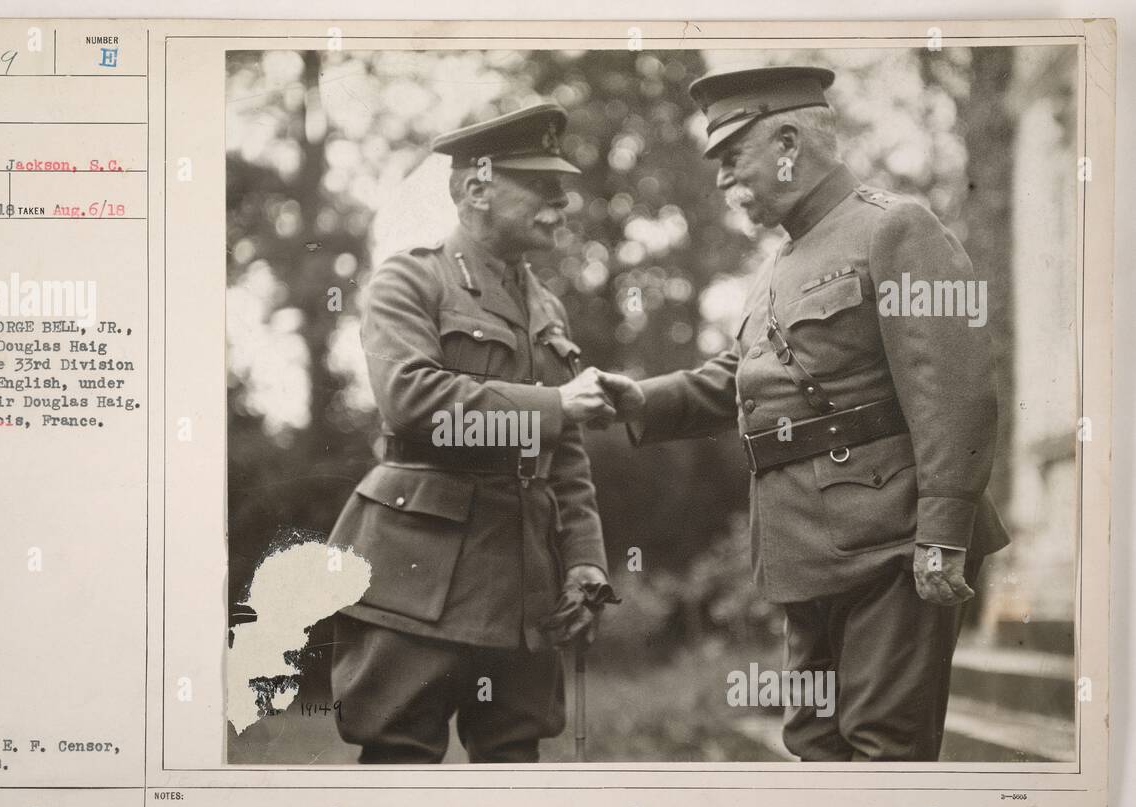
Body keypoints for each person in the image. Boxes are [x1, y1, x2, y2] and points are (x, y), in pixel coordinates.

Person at [599, 66, 1010, 761]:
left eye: (733, 161)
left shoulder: (896, 227)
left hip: (891, 543)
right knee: (815, 743)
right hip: (801, 549)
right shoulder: (778, 266)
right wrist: (642, 399)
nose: (723, 184)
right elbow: (745, 379)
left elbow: (957, 387)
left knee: (886, 750)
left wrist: (942, 529)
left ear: (787, 141)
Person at [327, 103, 613, 763]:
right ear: (476, 188)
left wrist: (587, 560)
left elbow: (564, 454)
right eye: (541, 186)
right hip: (416, 576)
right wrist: (553, 404)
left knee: (514, 768)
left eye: (562, 187)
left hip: (521, 586)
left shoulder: (547, 305)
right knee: (399, 763)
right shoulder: (410, 279)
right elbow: (412, 401)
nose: (562, 202)